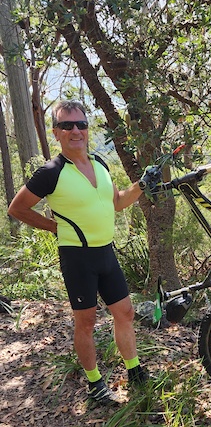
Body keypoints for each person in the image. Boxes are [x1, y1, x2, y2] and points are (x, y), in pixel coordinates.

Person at [8, 99, 151, 406]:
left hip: (106, 253)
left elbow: (117, 202)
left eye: (81, 125)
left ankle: (135, 371)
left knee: (124, 313)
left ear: (88, 129)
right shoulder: (51, 172)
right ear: (56, 132)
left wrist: (140, 186)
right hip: (77, 258)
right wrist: (52, 226)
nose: (76, 131)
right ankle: (95, 384)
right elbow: (17, 208)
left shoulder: (100, 162)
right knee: (85, 322)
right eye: (67, 125)